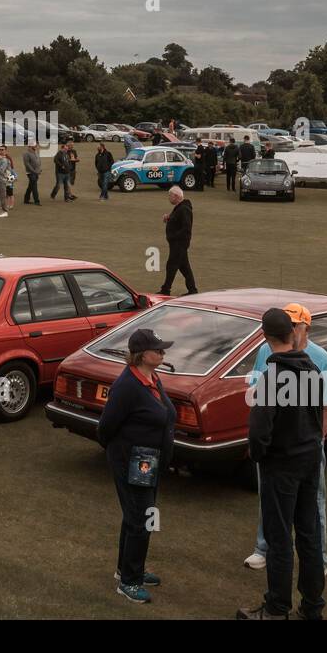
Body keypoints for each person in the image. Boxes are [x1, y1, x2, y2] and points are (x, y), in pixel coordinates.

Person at [238, 308, 327, 621]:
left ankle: (276, 609)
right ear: (293, 334)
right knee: (309, 534)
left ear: (265, 337)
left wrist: (259, 455)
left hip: (282, 465)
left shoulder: (272, 377)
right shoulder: (313, 369)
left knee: (279, 539)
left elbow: (259, 430)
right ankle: (313, 607)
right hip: (309, 460)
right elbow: (319, 415)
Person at [96, 327, 176, 605]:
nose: (163, 352)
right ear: (142, 355)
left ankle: (129, 569)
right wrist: (122, 456)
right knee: (140, 519)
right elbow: (106, 427)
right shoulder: (127, 385)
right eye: (158, 349)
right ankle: (129, 581)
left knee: (139, 517)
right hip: (132, 463)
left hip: (148, 462)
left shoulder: (152, 377)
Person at [158, 186, 197, 296]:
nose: (169, 198)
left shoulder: (184, 209)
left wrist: (173, 236)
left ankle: (166, 289)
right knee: (184, 267)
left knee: (171, 266)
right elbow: (177, 220)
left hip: (179, 244)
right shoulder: (180, 207)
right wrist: (169, 218)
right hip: (178, 244)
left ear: (176, 196)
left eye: (170, 196)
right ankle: (192, 290)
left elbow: (186, 228)